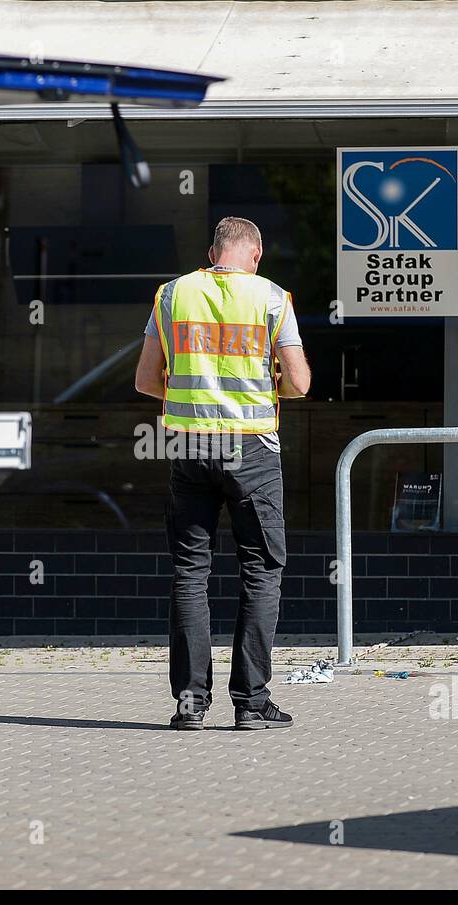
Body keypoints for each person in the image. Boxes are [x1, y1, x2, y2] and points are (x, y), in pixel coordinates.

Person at [134, 216, 311, 731]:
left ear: (213, 252)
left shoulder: (170, 296)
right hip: (252, 449)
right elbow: (299, 383)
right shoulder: (273, 298)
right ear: (255, 254)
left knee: (191, 573)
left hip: (190, 447)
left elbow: (147, 380)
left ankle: (190, 704)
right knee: (261, 569)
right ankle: (251, 703)